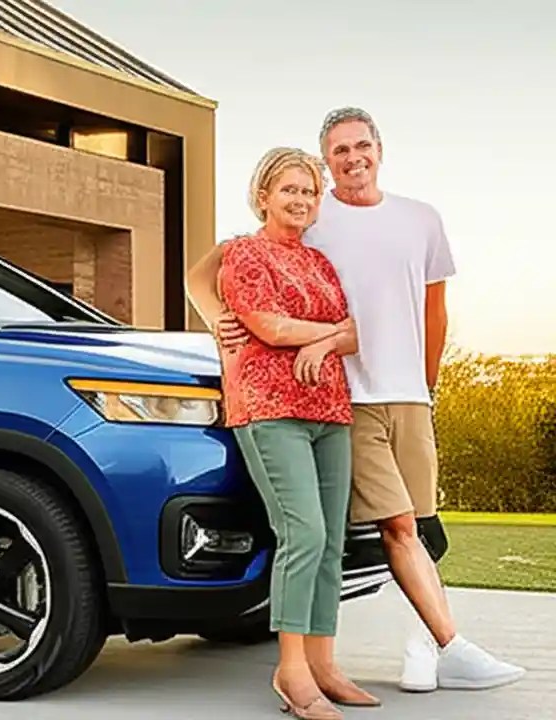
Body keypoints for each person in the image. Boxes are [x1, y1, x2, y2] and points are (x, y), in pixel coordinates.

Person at [188, 107, 526, 694]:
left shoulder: (408, 222)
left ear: (379, 149)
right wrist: (223, 321)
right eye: (337, 152)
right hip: (333, 398)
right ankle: (439, 646)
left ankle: (409, 649)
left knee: (414, 528)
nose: (351, 159)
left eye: (361, 146)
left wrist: (426, 382)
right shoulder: (292, 230)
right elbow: (213, 282)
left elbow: (418, 311)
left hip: (387, 397)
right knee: (370, 528)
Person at [210, 146, 374, 720]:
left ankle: (325, 664)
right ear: (263, 196)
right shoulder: (243, 254)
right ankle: (292, 670)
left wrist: (326, 340)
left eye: (309, 191)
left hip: (330, 409)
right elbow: (266, 325)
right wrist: (333, 331)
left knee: (332, 541)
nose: (301, 200)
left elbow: (361, 333)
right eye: (289, 190)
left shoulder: (321, 264)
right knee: (301, 534)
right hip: (270, 407)